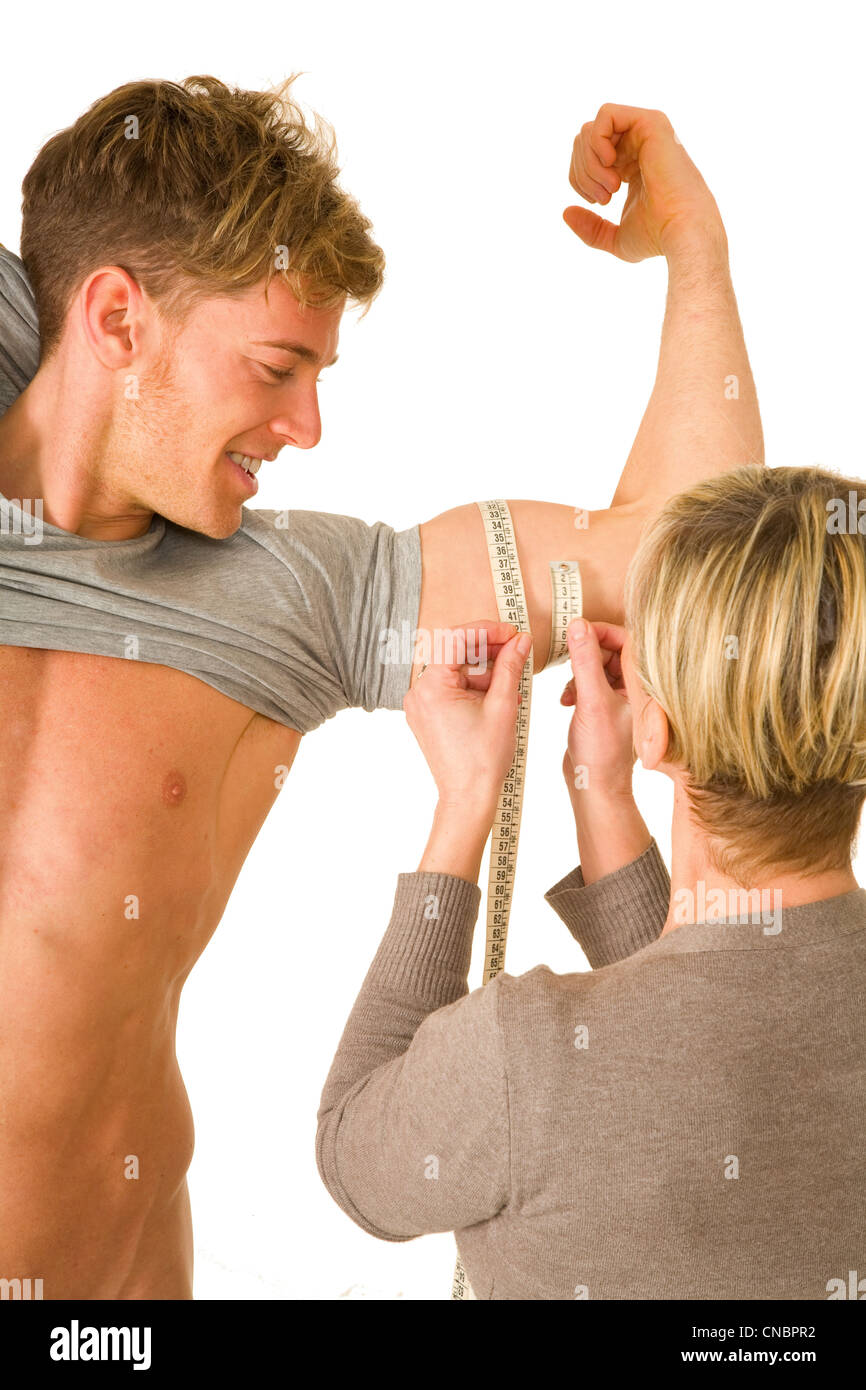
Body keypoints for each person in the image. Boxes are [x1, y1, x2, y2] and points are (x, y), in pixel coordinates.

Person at [0, 81, 761, 1298]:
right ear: (115, 319)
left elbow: (689, 555)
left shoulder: (298, 593)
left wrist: (697, 256)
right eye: (274, 367)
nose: (307, 425)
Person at [317, 462, 866, 1300]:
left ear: (659, 730)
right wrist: (601, 793)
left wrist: (467, 803)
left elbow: (357, 1153)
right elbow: (721, 1014)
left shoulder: (524, 1058)